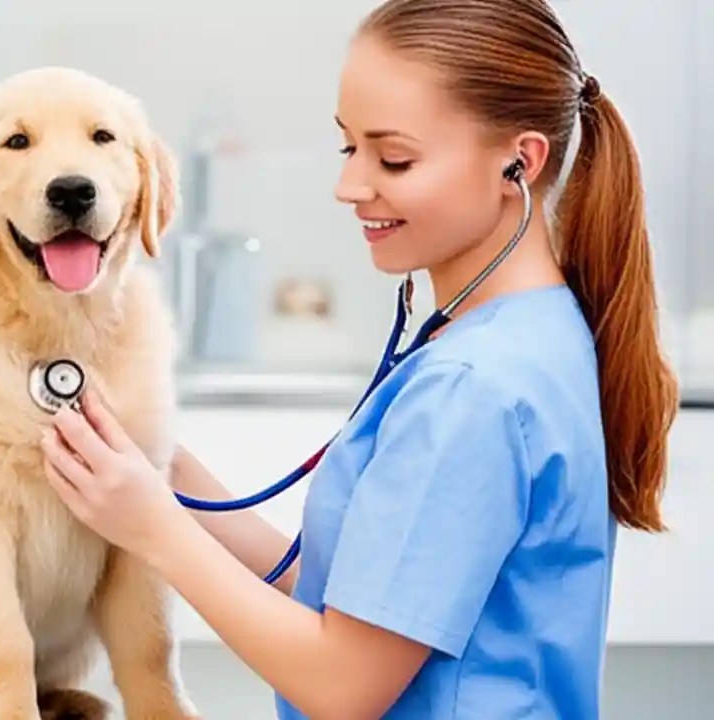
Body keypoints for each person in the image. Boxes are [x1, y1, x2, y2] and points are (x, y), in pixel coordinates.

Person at [39, 0, 682, 717]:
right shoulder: (533, 333)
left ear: (519, 162)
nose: (350, 187)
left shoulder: (472, 390)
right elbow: (369, 601)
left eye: (394, 158)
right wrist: (167, 471)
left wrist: (150, 526)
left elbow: (344, 683)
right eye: (350, 148)